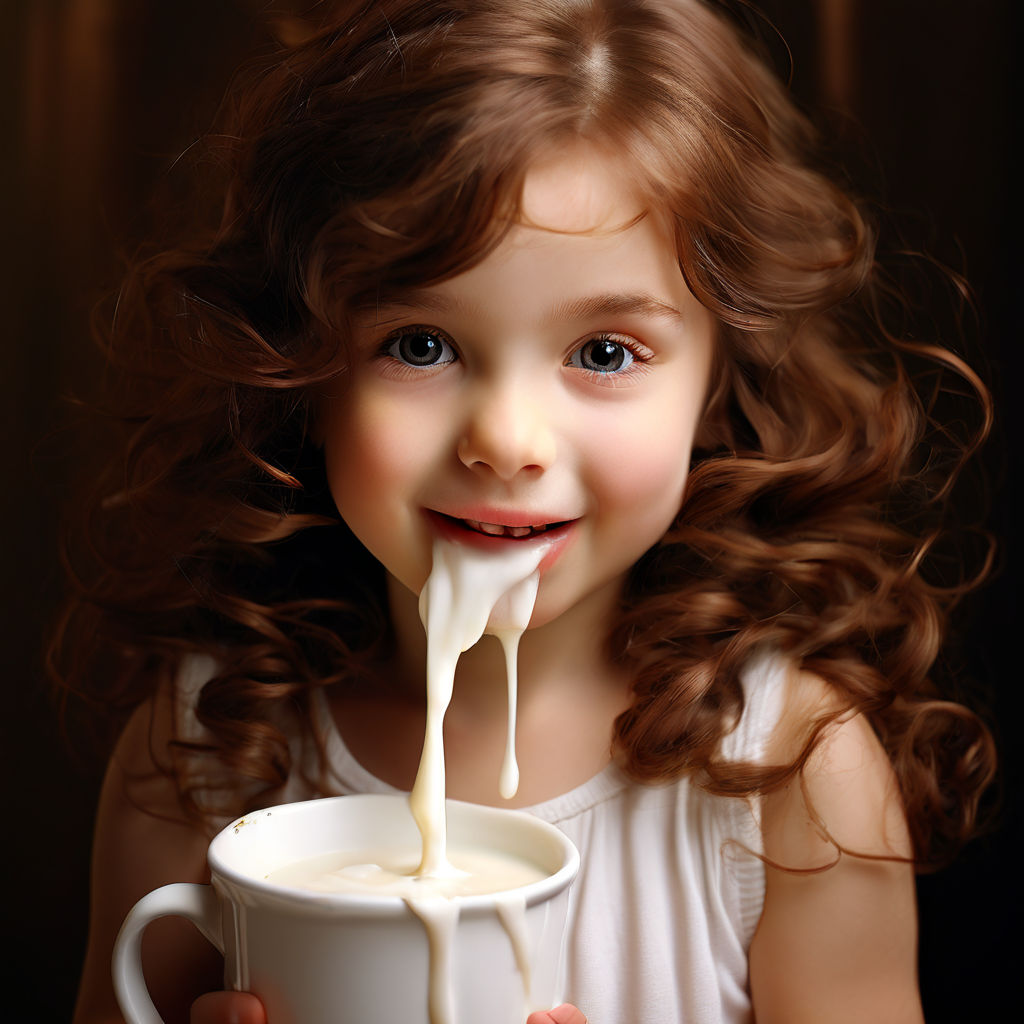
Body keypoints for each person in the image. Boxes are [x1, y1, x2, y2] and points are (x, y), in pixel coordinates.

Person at [53, 1, 996, 1022]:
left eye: (603, 353)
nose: (505, 440)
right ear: (301, 374)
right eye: (420, 345)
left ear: (719, 390)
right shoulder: (199, 748)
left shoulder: (790, 778)